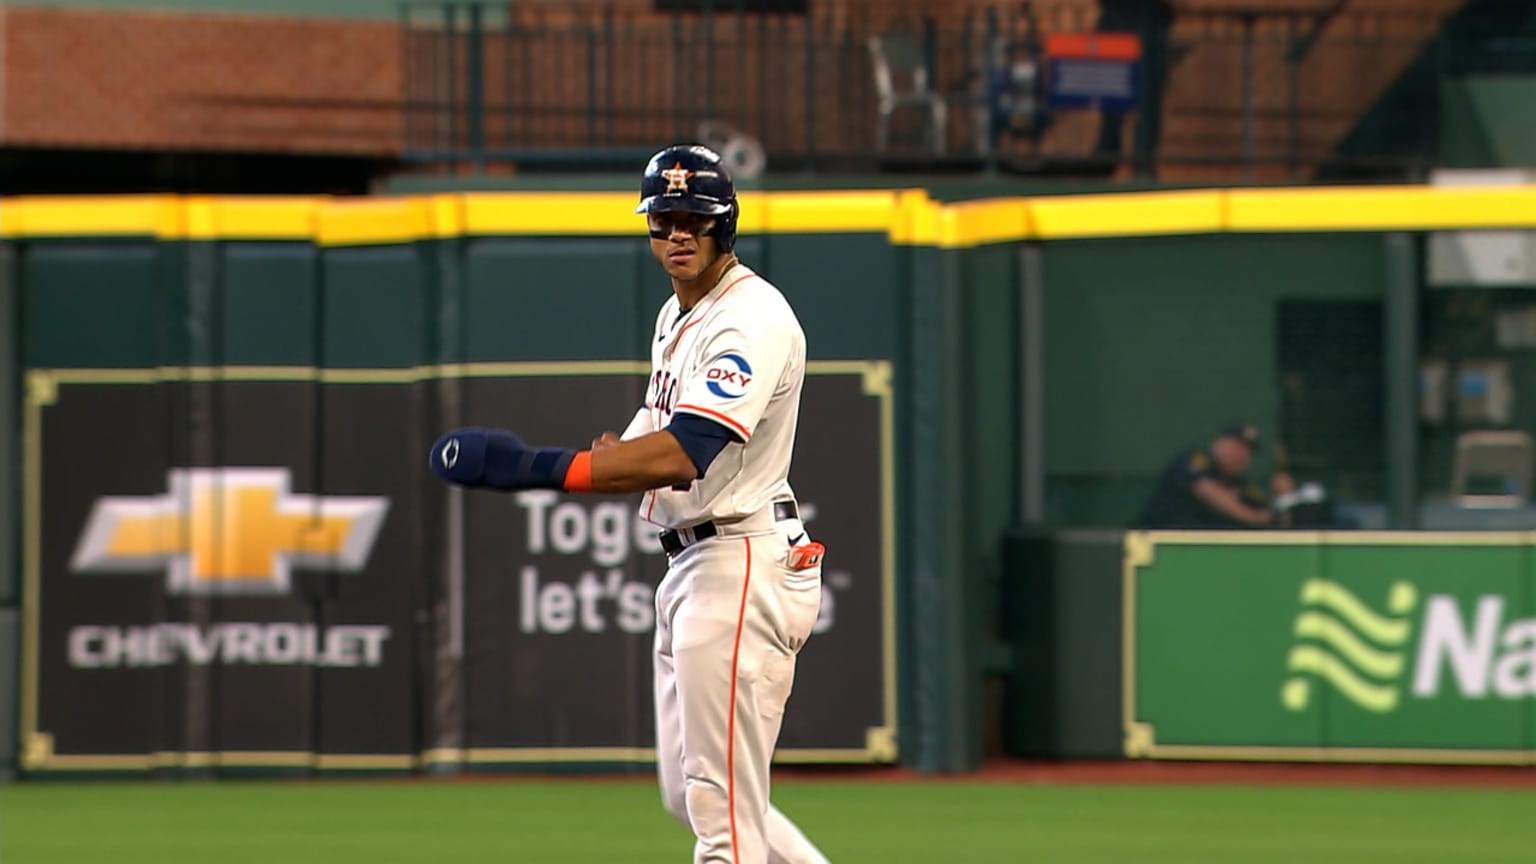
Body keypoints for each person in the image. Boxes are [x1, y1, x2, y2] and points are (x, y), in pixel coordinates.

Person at [427, 144, 830, 864]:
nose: (678, 233)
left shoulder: (750, 318)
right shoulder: (678, 314)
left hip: (738, 560)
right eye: (663, 219)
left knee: (722, 821)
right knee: (694, 796)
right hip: (699, 563)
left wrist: (535, 468)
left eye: (694, 219)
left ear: (725, 224)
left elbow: (683, 452)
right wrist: (620, 454)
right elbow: (657, 428)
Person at [1138, 423, 1294, 529]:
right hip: (1156, 545)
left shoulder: (1242, 485)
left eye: (1249, 452)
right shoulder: (1194, 458)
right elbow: (1208, 491)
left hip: (1204, 555)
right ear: (1220, 443)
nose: (1242, 455)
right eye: (1238, 446)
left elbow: (1273, 521)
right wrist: (1253, 517)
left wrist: (1284, 496)